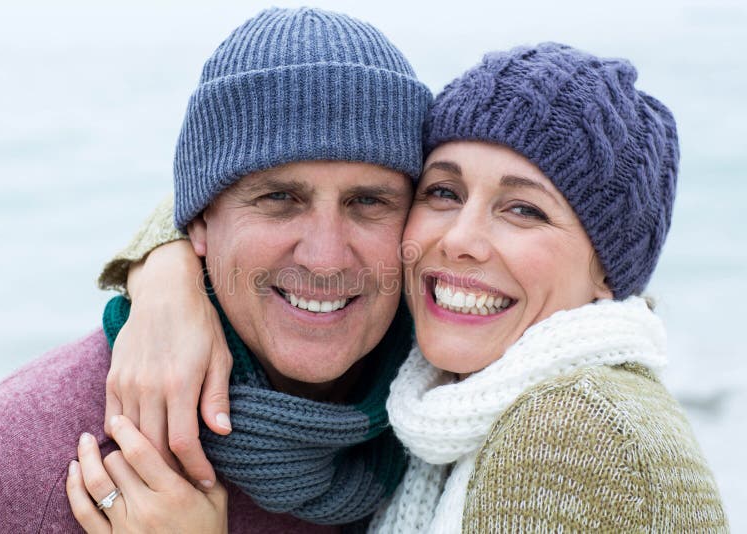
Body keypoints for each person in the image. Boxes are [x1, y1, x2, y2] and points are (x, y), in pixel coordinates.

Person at [98, 43, 728, 531]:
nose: (460, 239)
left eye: (523, 211)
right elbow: (255, 179)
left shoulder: (571, 430)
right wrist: (168, 268)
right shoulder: (444, 394)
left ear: (608, 271)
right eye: (444, 193)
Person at [0, 7, 431, 533]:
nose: (325, 256)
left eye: (368, 202)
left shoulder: (447, 420)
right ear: (197, 220)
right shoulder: (17, 469)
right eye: (279, 198)